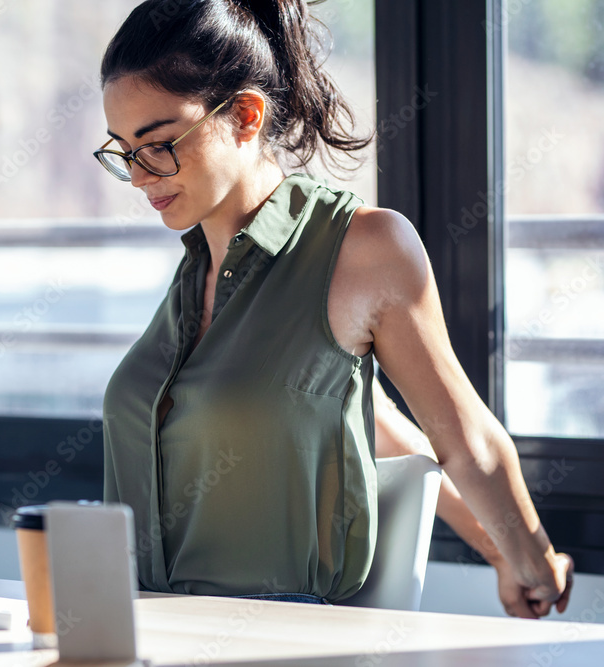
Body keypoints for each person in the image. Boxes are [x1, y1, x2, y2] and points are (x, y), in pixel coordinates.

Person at [97, 0, 574, 613]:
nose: (140, 177)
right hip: (134, 628)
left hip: (275, 643)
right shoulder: (196, 269)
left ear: (245, 115)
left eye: (159, 145)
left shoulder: (366, 248)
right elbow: (352, 414)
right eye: (123, 151)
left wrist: (527, 561)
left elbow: (465, 439)